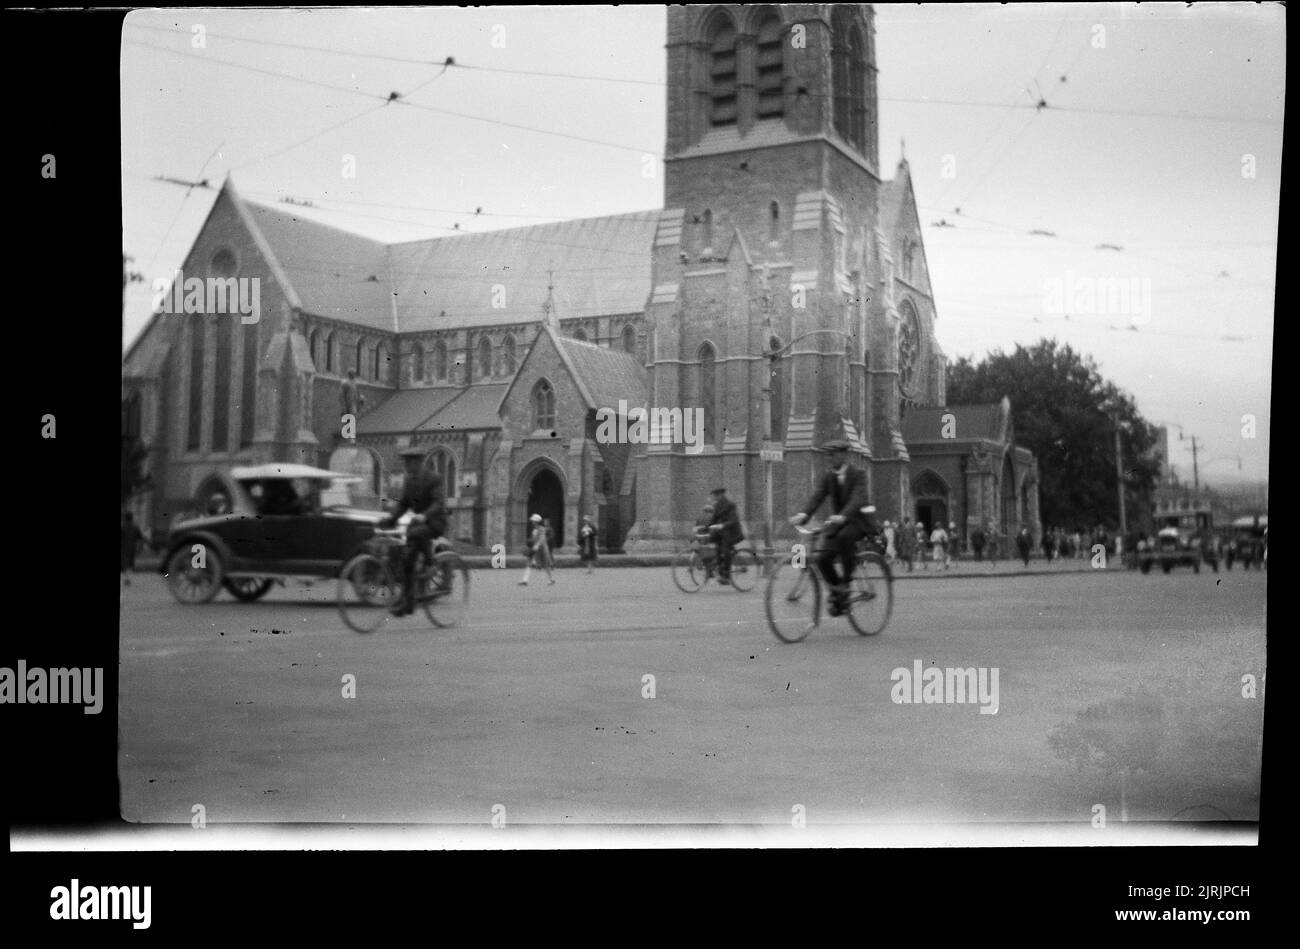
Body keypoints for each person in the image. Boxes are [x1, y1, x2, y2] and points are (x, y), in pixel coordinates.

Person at [789, 439, 874, 617]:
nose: (830, 459)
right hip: (838, 523)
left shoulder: (858, 474)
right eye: (828, 455)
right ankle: (838, 594)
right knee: (822, 558)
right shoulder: (830, 477)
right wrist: (804, 515)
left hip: (857, 521)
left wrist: (843, 515)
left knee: (845, 537)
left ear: (844, 455)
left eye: (833, 455)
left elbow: (858, 498)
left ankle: (846, 582)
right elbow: (818, 496)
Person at [381, 446, 448, 616]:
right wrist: (391, 519)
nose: (407, 466)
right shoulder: (409, 481)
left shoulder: (434, 478)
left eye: (410, 462)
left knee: (416, 533)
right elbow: (403, 504)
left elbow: (438, 503)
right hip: (417, 525)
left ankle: (431, 562)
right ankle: (408, 604)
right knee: (406, 562)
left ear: (419, 462)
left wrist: (424, 516)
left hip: (435, 522)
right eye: (406, 462)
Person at [707, 487, 744, 585]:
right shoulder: (717, 506)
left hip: (732, 532)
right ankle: (719, 570)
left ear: (720, 495)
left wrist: (722, 525)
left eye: (715, 495)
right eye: (714, 496)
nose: (714, 497)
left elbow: (733, 520)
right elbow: (713, 520)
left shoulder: (730, 504)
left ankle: (727, 576)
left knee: (725, 550)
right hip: (722, 533)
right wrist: (703, 528)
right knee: (715, 547)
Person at [520, 513, 555, 586]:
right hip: (535, 550)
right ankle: (525, 580)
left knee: (545, 566)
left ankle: (551, 579)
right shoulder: (534, 530)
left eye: (533, 521)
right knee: (529, 563)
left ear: (536, 521)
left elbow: (542, 538)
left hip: (542, 549)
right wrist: (529, 542)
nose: (532, 522)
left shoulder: (542, 529)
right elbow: (534, 539)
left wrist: (537, 545)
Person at [121, 511, 146, 586]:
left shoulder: (122, 527)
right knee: (130, 564)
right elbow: (141, 537)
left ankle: (127, 579)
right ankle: (128, 578)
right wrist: (141, 546)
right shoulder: (135, 527)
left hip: (124, 548)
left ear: (125, 518)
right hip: (132, 548)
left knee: (125, 564)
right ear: (132, 518)